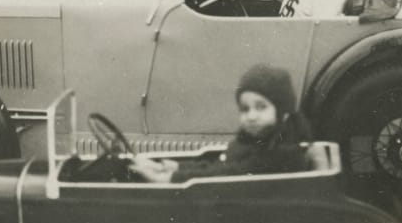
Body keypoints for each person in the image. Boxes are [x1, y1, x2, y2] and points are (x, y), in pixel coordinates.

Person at [130, 65, 313, 184]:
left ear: (283, 112)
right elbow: (222, 165)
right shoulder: (257, 141)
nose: (251, 116)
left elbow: (230, 175)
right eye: (245, 109)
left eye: (261, 107)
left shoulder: (280, 151)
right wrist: (179, 167)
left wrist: (171, 178)